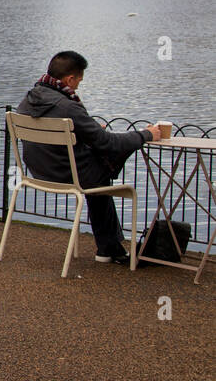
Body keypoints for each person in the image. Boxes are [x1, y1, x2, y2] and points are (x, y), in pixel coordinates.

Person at [16, 51, 161, 265]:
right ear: (70, 79)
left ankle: (109, 248)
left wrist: (85, 132)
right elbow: (108, 143)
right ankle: (109, 247)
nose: (77, 87)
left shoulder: (26, 102)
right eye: (78, 82)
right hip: (69, 175)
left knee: (98, 175)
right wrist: (147, 135)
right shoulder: (68, 107)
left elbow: (57, 136)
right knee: (110, 157)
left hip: (39, 173)